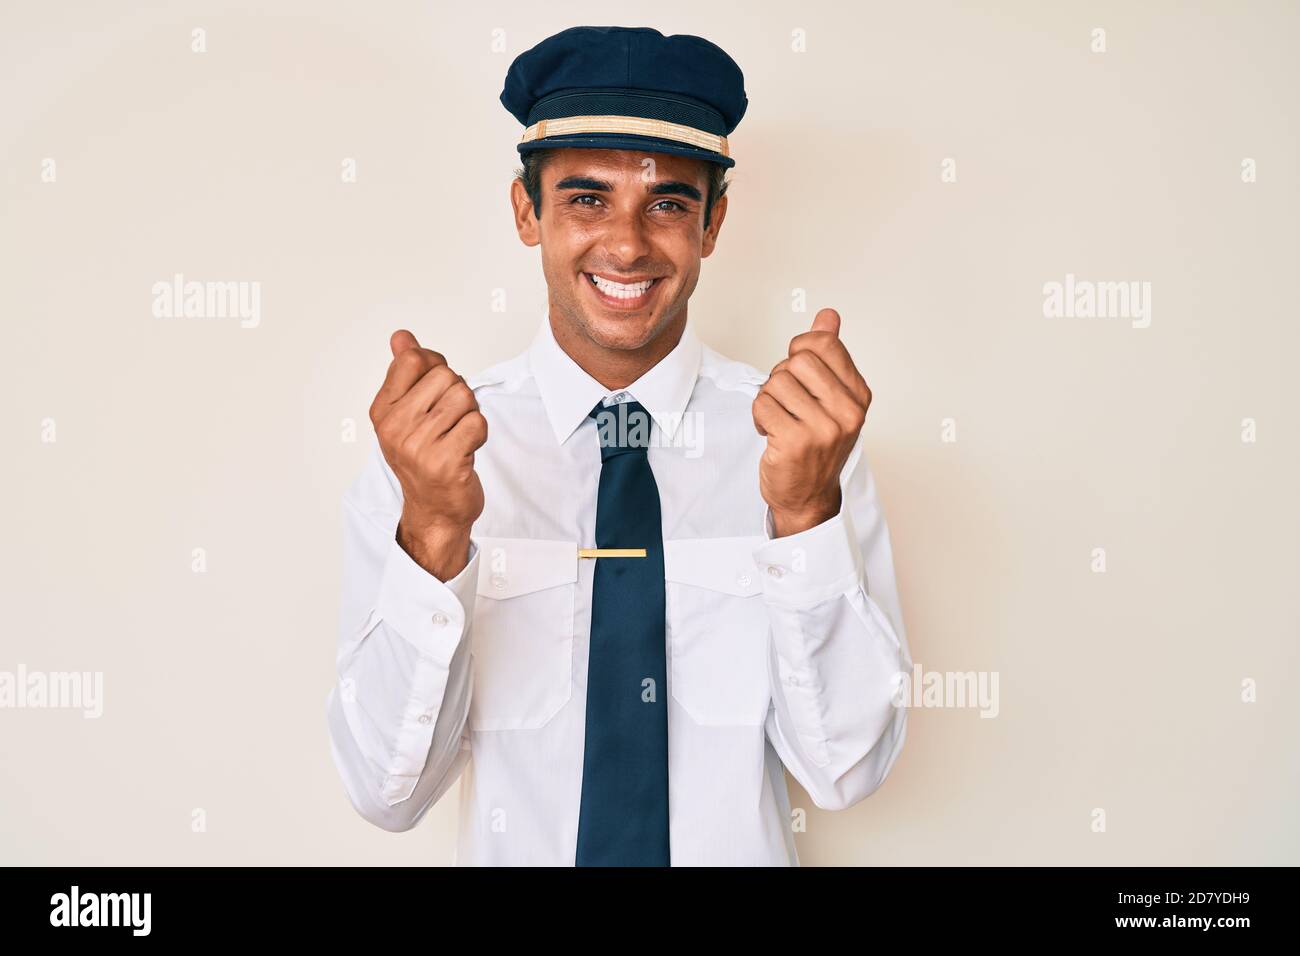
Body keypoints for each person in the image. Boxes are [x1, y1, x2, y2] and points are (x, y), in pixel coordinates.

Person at [326, 25, 913, 866]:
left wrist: (806, 516)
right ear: (528, 211)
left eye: (669, 202)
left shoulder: (804, 446)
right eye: (587, 198)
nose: (629, 244)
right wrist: (431, 534)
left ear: (712, 222)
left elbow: (846, 770)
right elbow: (385, 792)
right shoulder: (432, 453)